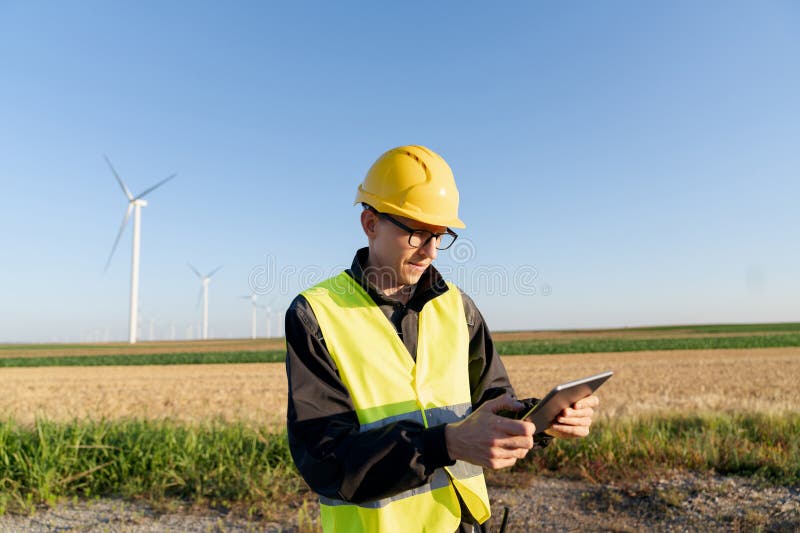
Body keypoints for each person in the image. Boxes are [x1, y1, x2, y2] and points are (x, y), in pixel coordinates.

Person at [285, 145, 600, 533]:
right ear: (370, 223)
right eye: (417, 233)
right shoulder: (315, 315)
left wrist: (543, 418)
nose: (432, 251)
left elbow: (494, 404)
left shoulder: (458, 307)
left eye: (440, 235)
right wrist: (444, 445)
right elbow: (324, 460)